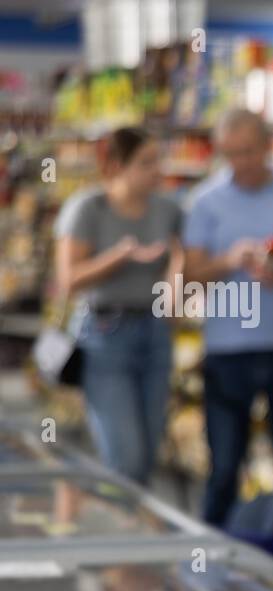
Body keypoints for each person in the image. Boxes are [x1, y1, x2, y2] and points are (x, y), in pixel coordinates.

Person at [181, 108, 273, 529]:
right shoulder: (205, 202)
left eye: (248, 152)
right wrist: (230, 260)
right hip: (227, 352)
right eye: (230, 154)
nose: (241, 163)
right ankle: (207, 568)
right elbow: (190, 277)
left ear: (268, 147)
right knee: (225, 467)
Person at [54, 127, 183, 485]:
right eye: (145, 163)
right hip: (105, 334)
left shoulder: (168, 209)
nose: (156, 170)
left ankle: (132, 531)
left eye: (158, 160)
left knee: (147, 453)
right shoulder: (88, 209)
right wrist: (120, 255)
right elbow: (68, 278)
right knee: (125, 458)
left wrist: (177, 284)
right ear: (116, 166)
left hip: (155, 331)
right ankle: (125, 530)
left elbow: (182, 261)